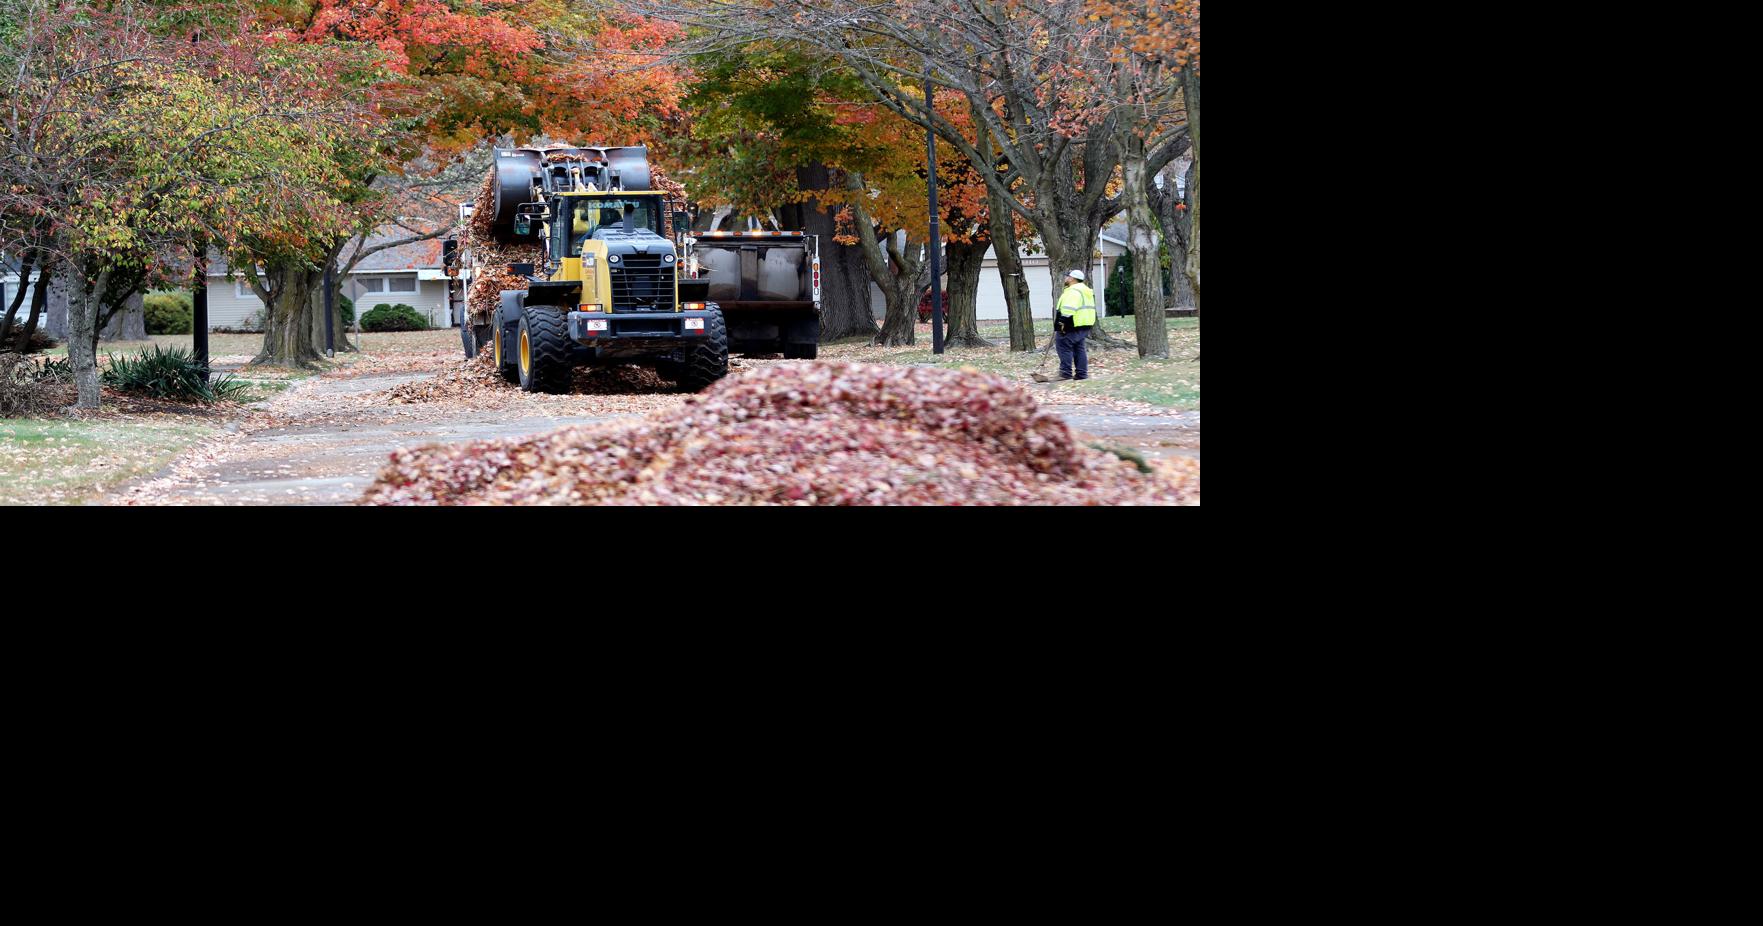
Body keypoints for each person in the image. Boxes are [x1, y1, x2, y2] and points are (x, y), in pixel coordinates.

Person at [1053, 269, 1096, 381]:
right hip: (1084, 323)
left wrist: (1062, 322)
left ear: (1072, 278)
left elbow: (1069, 308)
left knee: (1063, 345)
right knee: (1078, 347)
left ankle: (1065, 373)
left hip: (1072, 323)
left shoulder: (1073, 291)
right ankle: (1081, 373)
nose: (1066, 278)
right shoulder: (1085, 290)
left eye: (1067, 276)